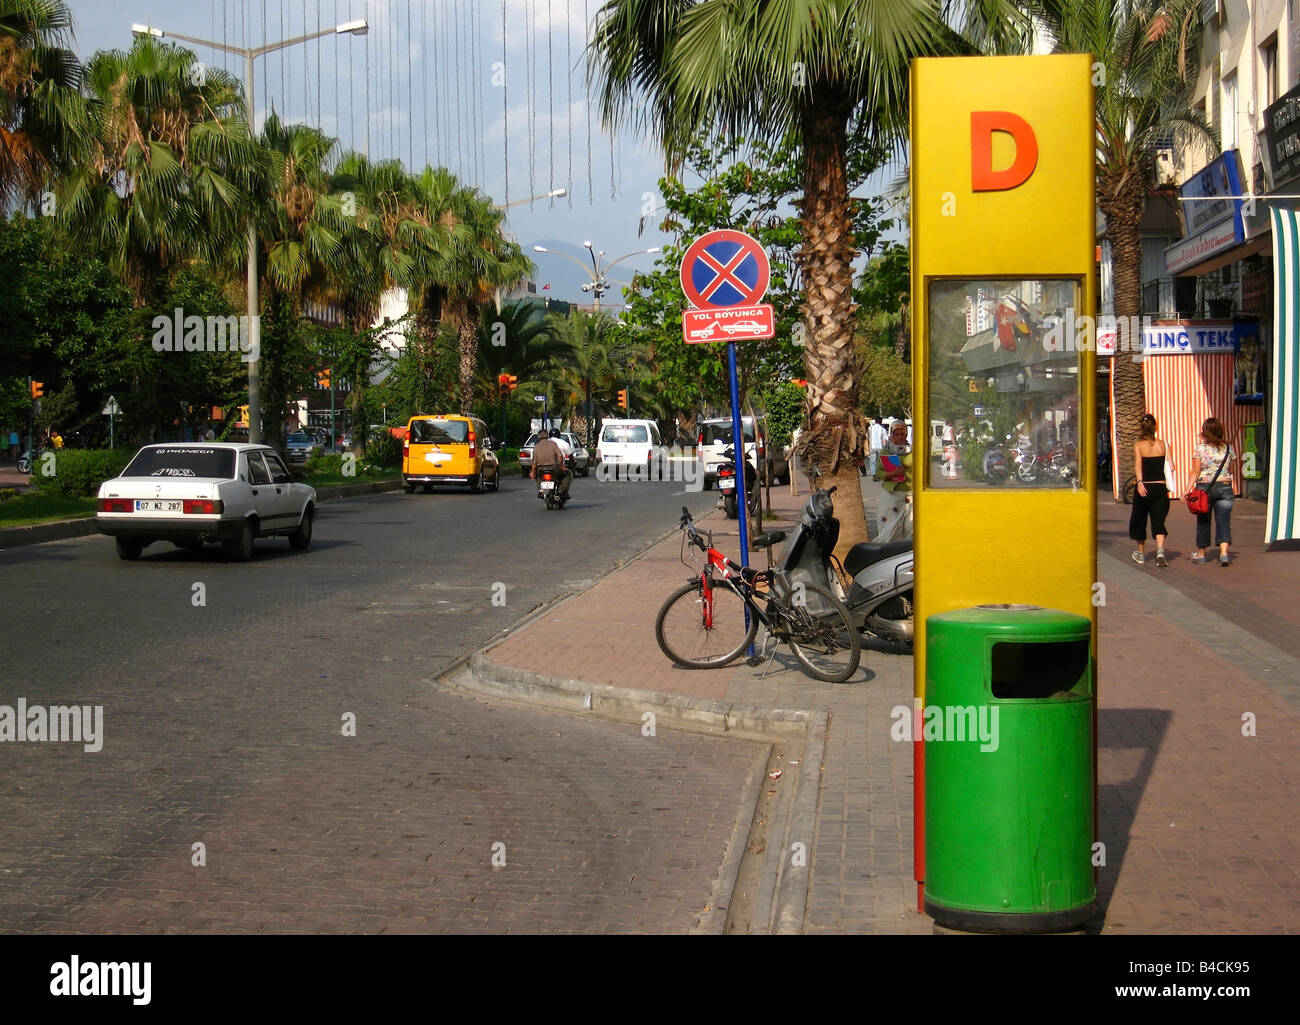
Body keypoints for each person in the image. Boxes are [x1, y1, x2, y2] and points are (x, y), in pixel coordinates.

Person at [1187, 416, 1235, 566]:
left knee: (1203, 521)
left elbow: (1195, 472)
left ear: (1205, 432)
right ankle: (1224, 553)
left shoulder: (1200, 449)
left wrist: (1187, 490)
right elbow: (1231, 469)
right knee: (1224, 521)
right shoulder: (1229, 448)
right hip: (1225, 486)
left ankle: (1201, 554)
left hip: (1204, 489)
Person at [1128, 414, 1169, 567]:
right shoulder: (1163, 444)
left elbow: (1138, 465)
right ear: (1155, 427)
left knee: (1140, 519)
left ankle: (1140, 553)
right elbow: (1171, 466)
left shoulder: (1138, 445)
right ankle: (1160, 551)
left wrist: (1139, 483)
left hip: (1144, 486)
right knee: (1158, 520)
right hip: (1160, 486)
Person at [873, 421, 912, 540]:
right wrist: (892, 474)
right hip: (891, 494)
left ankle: (907, 556)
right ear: (892, 435)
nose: (900, 437)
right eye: (897, 434)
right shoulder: (885, 452)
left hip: (910, 494)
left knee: (910, 528)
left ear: (906, 434)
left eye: (902, 434)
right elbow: (878, 473)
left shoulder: (913, 451)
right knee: (889, 528)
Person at [530, 429, 572, 497]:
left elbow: (534, 462)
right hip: (553, 468)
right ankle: (561, 490)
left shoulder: (536, 446)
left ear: (538, 437)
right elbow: (560, 455)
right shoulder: (553, 444)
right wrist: (561, 465)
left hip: (540, 469)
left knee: (538, 475)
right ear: (547, 436)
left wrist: (532, 472)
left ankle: (540, 490)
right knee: (568, 474)